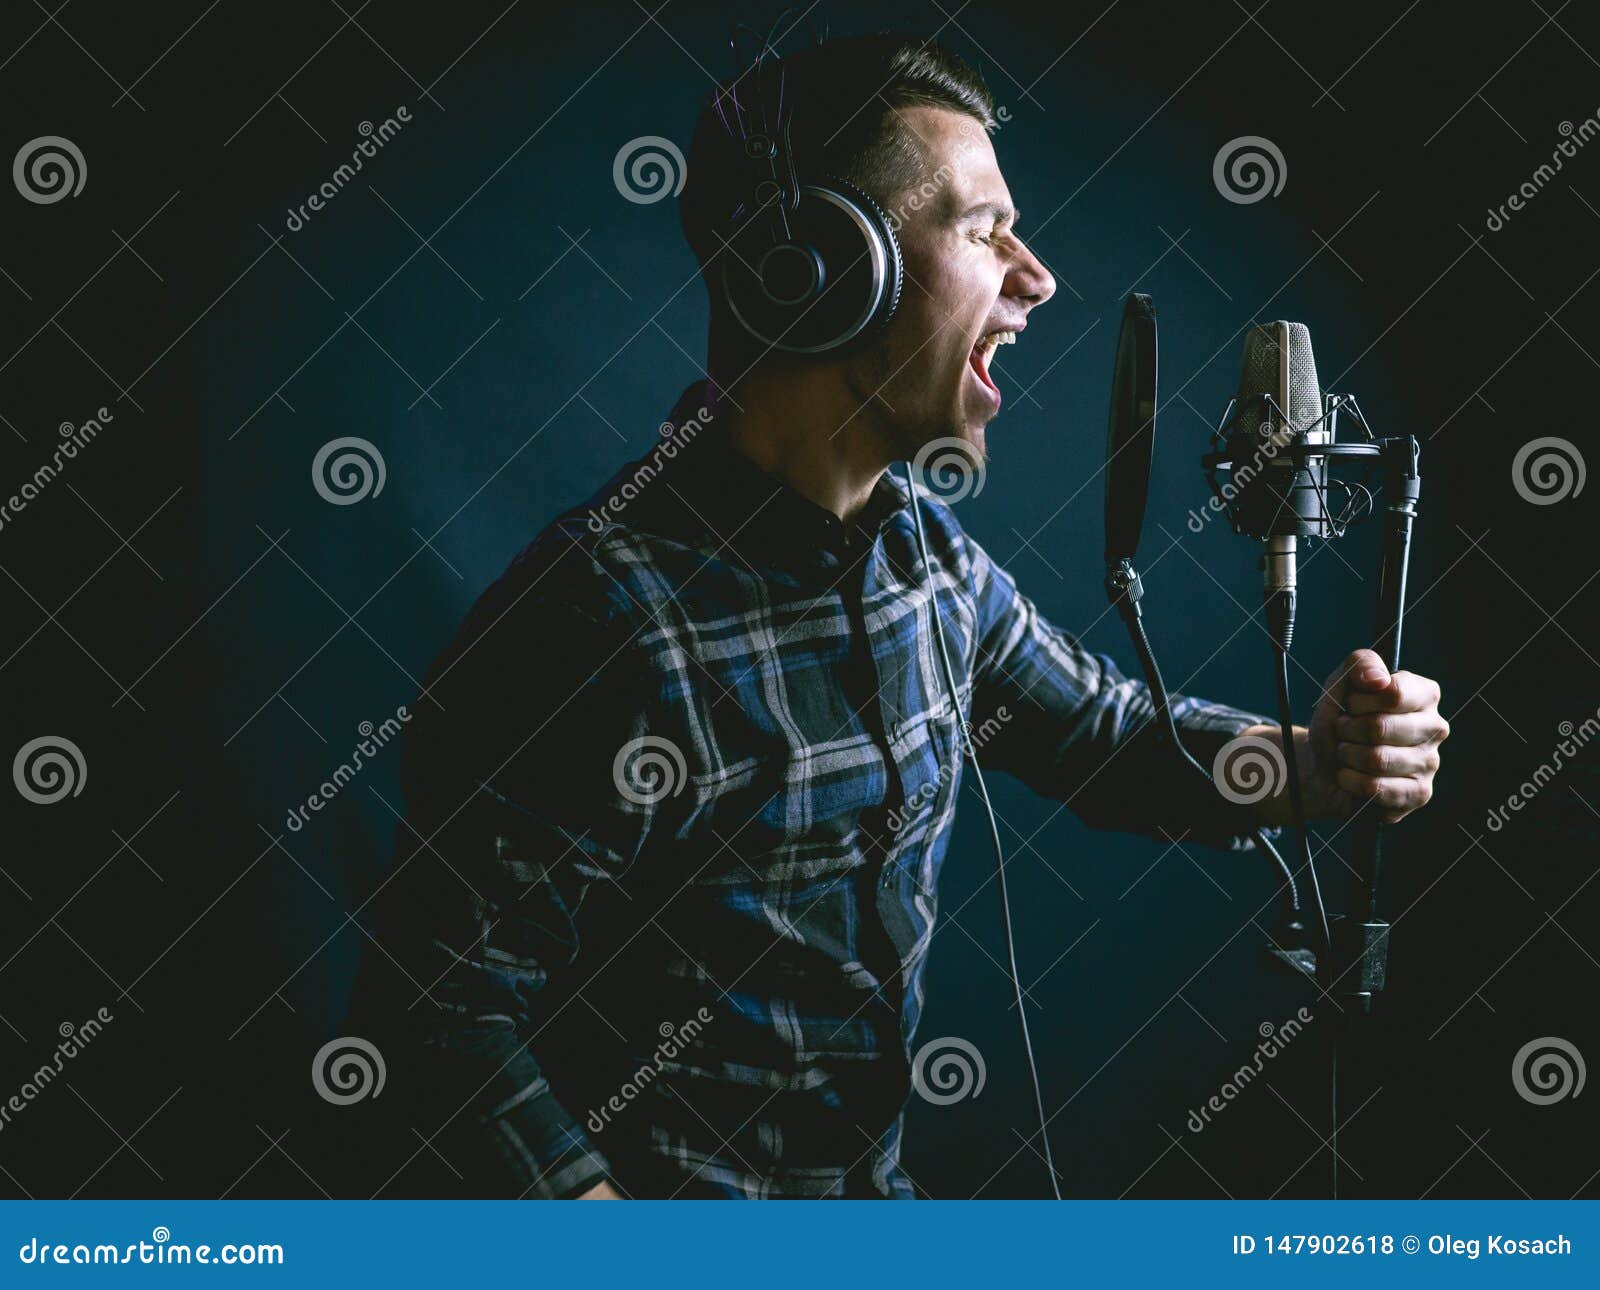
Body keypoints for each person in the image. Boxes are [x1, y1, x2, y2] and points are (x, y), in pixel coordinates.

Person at [345, 32, 1448, 1200]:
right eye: (982, 231)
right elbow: (437, 1020)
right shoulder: (592, 621)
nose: (1037, 279)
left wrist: (1314, 763)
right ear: (824, 267)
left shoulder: (927, 557)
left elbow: (1105, 738)